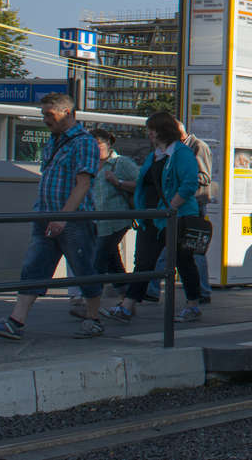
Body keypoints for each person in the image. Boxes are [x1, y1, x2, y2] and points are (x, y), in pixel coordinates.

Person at [0, 93, 104, 341]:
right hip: (45, 215)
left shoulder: (83, 142)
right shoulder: (54, 141)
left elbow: (83, 183)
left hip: (73, 220)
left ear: (66, 112)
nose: (45, 119)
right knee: (33, 268)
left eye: (49, 114)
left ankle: (93, 318)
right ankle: (16, 320)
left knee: (84, 269)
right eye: (43, 114)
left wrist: (63, 217)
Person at [101, 112, 206, 324]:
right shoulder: (154, 155)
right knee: (143, 262)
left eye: (152, 129)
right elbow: (143, 183)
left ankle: (193, 304)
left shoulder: (181, 154)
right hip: (151, 217)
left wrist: (170, 208)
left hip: (175, 217)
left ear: (162, 131)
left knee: (183, 261)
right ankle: (128, 307)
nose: (149, 133)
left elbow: (189, 184)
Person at [149, 118, 214, 303]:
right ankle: (152, 290)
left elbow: (203, 177)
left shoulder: (194, 147)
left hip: (191, 205)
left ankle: (201, 293)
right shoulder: (164, 151)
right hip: (175, 206)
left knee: (190, 252)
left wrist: (181, 177)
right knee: (169, 251)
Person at [91, 129, 139, 305]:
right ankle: (126, 297)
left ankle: (87, 301)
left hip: (117, 219)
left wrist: (118, 182)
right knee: (112, 259)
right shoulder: (91, 165)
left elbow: (141, 185)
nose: (96, 149)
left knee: (98, 258)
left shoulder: (121, 163)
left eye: (99, 145)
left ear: (108, 144)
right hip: (97, 221)